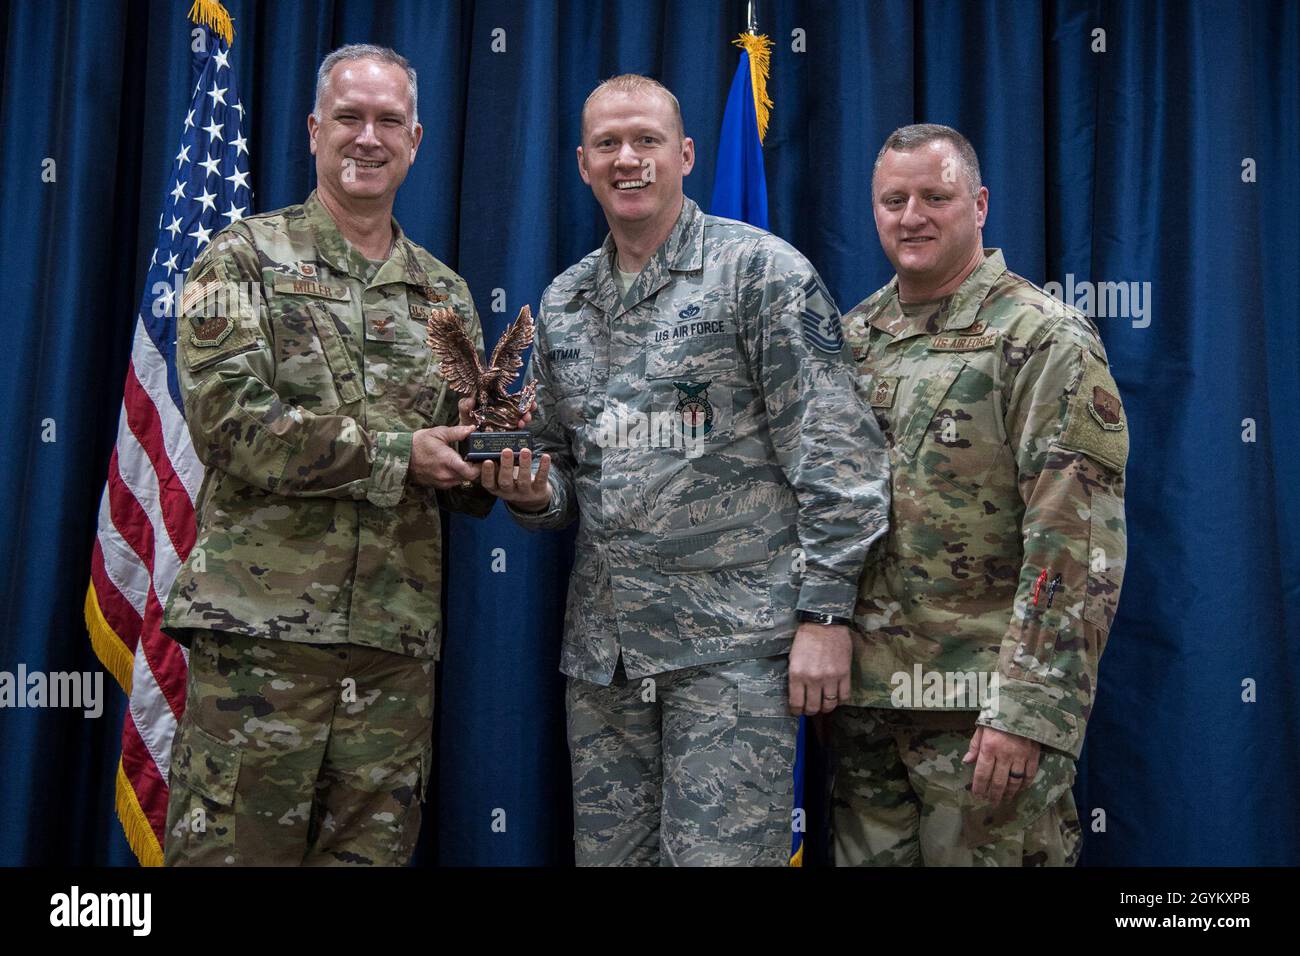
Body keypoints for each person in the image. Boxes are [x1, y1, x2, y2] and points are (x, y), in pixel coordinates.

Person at [483, 74, 890, 866]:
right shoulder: (565, 301)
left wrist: (827, 616)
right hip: (606, 660)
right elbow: (564, 470)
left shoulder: (759, 273)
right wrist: (535, 493)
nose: (628, 159)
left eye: (647, 141)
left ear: (686, 155)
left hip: (733, 653)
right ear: (581, 163)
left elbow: (839, 454)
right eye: (608, 144)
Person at [161, 44, 497, 866]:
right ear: (315, 130)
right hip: (260, 643)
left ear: (416, 140)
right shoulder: (239, 258)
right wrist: (397, 456)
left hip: (392, 650)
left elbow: (460, 464)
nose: (368, 138)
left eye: (389, 121)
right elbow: (229, 422)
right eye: (349, 117)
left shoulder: (444, 294)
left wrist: (501, 478)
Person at [835, 124, 1129, 866]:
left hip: (981, 715)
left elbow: (1076, 542)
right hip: (867, 709)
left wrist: (1028, 710)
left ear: (981, 203)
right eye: (893, 199)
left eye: (936, 196)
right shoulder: (852, 338)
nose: (912, 217)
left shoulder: (1041, 338)